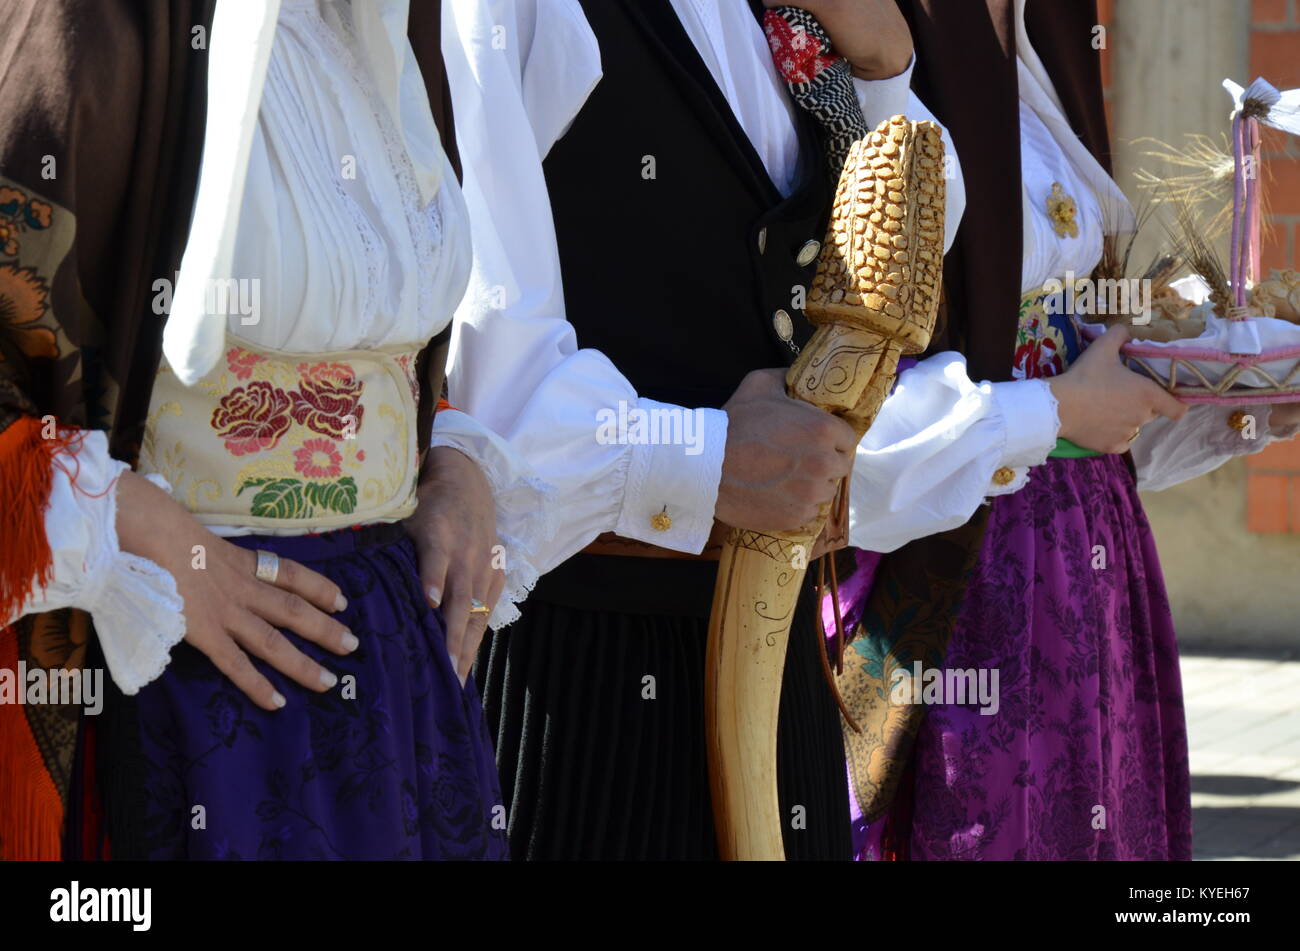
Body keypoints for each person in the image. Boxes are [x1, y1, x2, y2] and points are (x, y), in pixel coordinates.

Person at [0, 0, 548, 860]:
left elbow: (378, 329)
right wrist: (128, 523)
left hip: (393, 674)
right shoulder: (91, 19)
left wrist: (450, 461)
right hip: (184, 672)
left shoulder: (389, 17)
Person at [833, 0, 1300, 860]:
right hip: (957, 594)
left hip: (1091, 572)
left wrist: (1236, 402)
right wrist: (1051, 413)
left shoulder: (1049, 31)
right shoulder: (865, 40)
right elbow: (847, 428)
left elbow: (1091, 405)